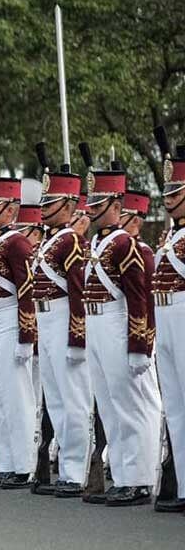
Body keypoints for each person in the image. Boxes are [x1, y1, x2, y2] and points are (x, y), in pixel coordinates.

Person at [83, 169, 160, 506]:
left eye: (98, 202)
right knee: (109, 403)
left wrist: (139, 345)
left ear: (115, 203)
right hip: (96, 324)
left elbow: (138, 298)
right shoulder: (97, 242)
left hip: (116, 322)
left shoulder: (125, 244)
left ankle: (140, 478)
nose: (91, 208)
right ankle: (122, 473)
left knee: (131, 403)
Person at [33, 169, 90, 498]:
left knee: (73, 399)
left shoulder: (71, 240)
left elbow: (77, 292)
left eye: (51, 201)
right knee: (56, 399)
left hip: (63, 319)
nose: (43, 206)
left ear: (69, 203)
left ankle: (76, 470)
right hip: (46, 319)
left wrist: (77, 338)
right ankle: (67, 470)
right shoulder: (54, 239)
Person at [0, 176, 37, 489]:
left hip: (10, 318)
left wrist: (26, 336)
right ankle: (5, 463)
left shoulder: (17, 243)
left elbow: (27, 289)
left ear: (11, 208)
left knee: (16, 397)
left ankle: (24, 464)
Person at [153, 151, 185, 513]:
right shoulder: (169, 236)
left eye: (176, 193)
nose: (169, 201)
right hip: (166, 315)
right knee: (175, 407)